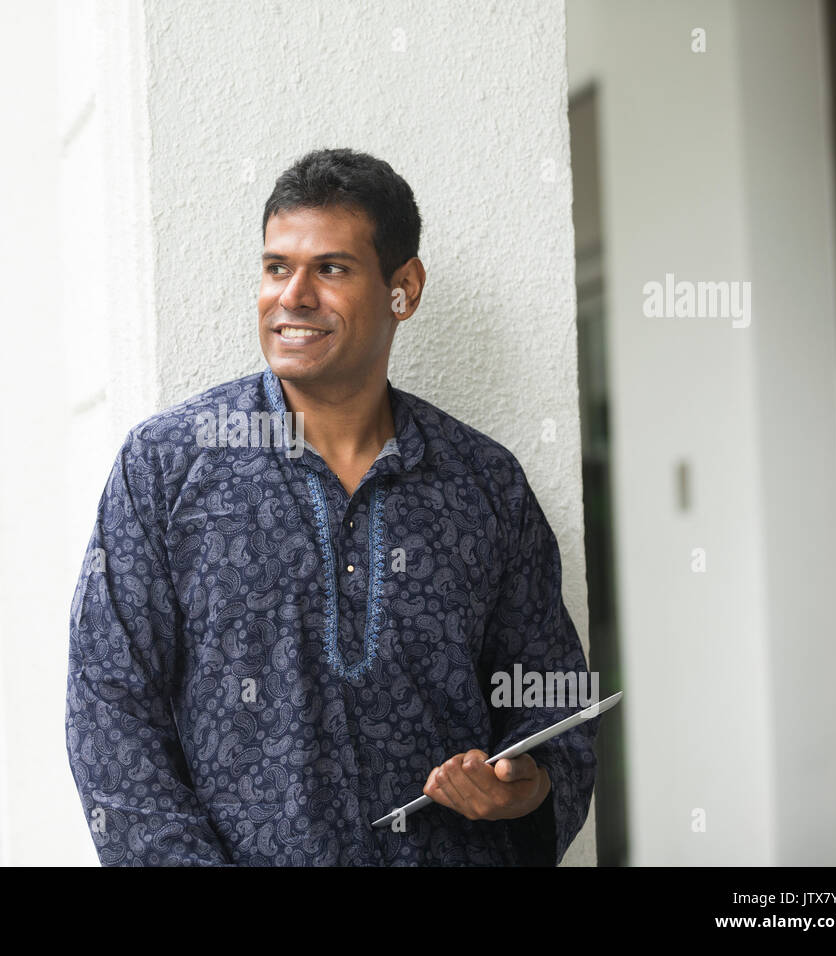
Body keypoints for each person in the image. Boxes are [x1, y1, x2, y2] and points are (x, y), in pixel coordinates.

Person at [65, 147, 600, 865]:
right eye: (277, 267)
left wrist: (521, 786)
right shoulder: (167, 466)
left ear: (402, 288)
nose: (293, 295)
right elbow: (109, 709)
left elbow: (551, 699)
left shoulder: (484, 483)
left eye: (332, 269)